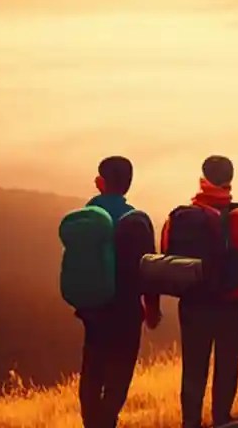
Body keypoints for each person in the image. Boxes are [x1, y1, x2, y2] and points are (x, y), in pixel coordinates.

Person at [162, 156, 238, 428]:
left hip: (193, 303)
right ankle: (221, 419)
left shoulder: (178, 217)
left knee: (193, 366)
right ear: (230, 181)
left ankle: (190, 421)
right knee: (227, 364)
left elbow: (166, 255)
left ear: (202, 180)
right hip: (230, 302)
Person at [69, 156, 160, 428]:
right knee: (120, 371)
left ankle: (91, 422)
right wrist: (152, 307)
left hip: (93, 307)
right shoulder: (136, 220)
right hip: (127, 309)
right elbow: (149, 270)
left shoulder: (87, 216)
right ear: (129, 184)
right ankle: (107, 421)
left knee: (92, 368)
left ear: (100, 182)